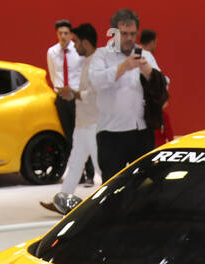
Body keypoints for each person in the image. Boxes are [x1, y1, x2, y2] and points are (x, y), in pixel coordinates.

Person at [90, 8, 162, 181]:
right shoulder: (101, 55)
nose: (129, 38)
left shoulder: (145, 55)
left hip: (141, 130)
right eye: (124, 34)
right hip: (111, 132)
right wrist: (123, 67)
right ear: (114, 32)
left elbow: (164, 84)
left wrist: (148, 72)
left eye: (132, 33)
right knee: (111, 185)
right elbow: (96, 81)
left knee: (146, 184)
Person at [45, 22, 99, 214]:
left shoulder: (97, 63)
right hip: (82, 122)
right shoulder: (87, 61)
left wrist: (73, 94)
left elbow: (95, 94)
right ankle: (62, 199)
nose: (74, 46)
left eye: (76, 41)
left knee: (102, 166)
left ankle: (109, 202)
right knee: (75, 161)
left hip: (94, 123)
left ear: (85, 42)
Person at [48, 19, 92, 185]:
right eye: (60, 33)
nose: (63, 36)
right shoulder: (52, 52)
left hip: (77, 97)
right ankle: (77, 173)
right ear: (57, 34)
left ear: (71, 35)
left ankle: (89, 173)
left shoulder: (78, 51)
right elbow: (53, 75)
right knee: (69, 137)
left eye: (66, 33)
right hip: (61, 98)